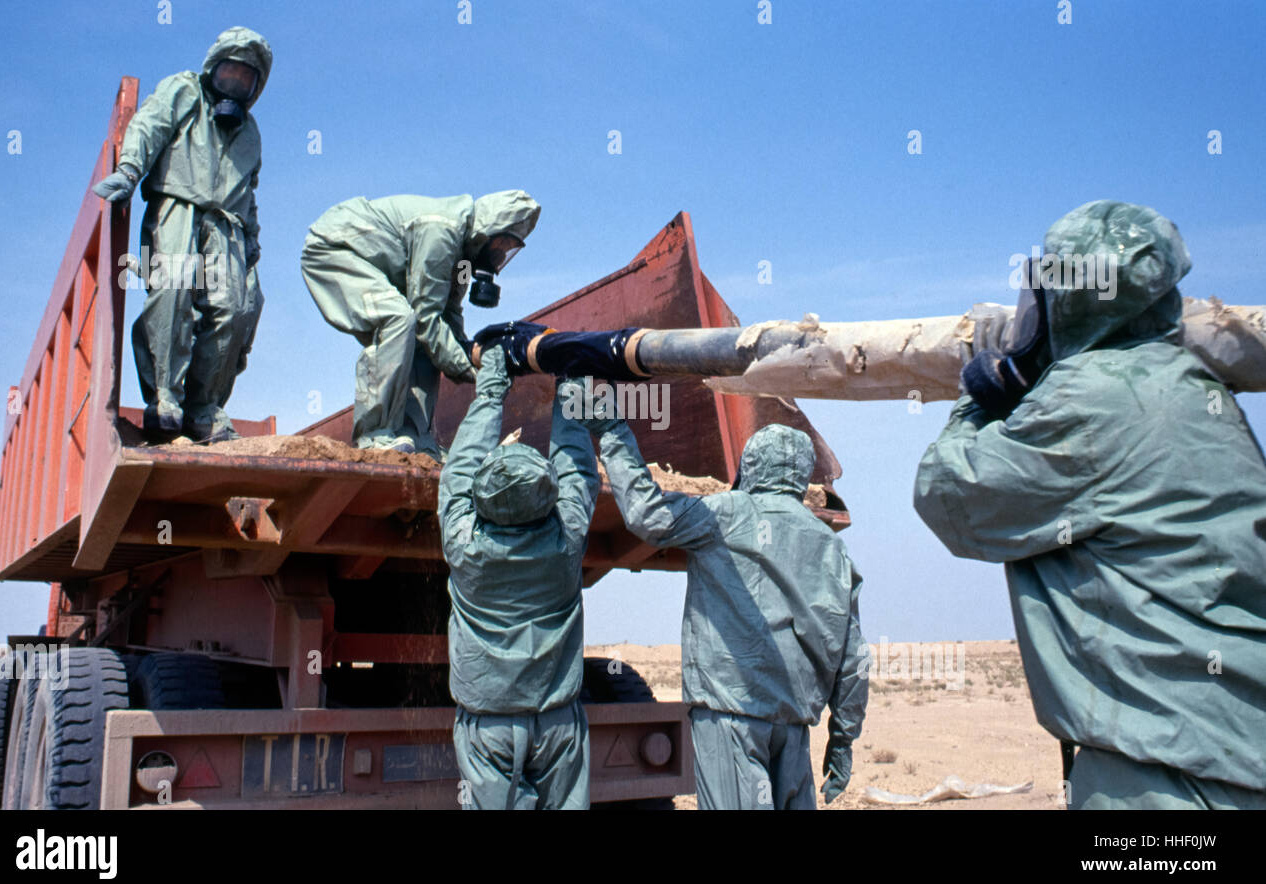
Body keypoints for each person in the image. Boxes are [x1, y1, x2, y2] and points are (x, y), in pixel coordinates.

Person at [914, 200, 1266, 809]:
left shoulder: (1093, 396)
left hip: (1162, 774)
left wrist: (985, 394)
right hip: (1235, 750)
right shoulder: (1194, 389)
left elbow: (948, 495)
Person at [577, 401, 868, 810]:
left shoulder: (726, 514)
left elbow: (648, 516)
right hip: (793, 727)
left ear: (750, 466)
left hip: (730, 716)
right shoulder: (831, 548)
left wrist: (613, 432)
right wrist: (842, 741)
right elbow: (853, 659)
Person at [437, 347, 600, 809]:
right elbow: (577, 465)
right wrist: (572, 378)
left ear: (482, 499)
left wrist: (492, 379)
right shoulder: (565, 539)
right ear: (546, 495)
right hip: (557, 725)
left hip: (488, 729)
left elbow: (461, 464)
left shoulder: (465, 544)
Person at [93, 26, 272, 443]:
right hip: (176, 204)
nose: (236, 83)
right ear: (213, 67)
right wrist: (130, 170)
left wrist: (252, 240)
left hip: (226, 223)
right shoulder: (182, 90)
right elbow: (150, 125)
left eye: (246, 79)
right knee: (172, 289)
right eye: (230, 72)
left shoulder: (250, 132)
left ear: (256, 87)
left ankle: (204, 408)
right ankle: (164, 398)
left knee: (235, 308)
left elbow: (249, 191)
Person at [301, 191, 540, 457]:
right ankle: (374, 433)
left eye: (509, 249)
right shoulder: (442, 231)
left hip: (375, 264)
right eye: (501, 244)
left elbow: (448, 315)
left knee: (426, 340)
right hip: (335, 248)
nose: (500, 254)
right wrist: (472, 372)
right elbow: (427, 318)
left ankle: (417, 437)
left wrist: (469, 353)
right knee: (399, 319)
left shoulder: (461, 257)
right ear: (488, 229)